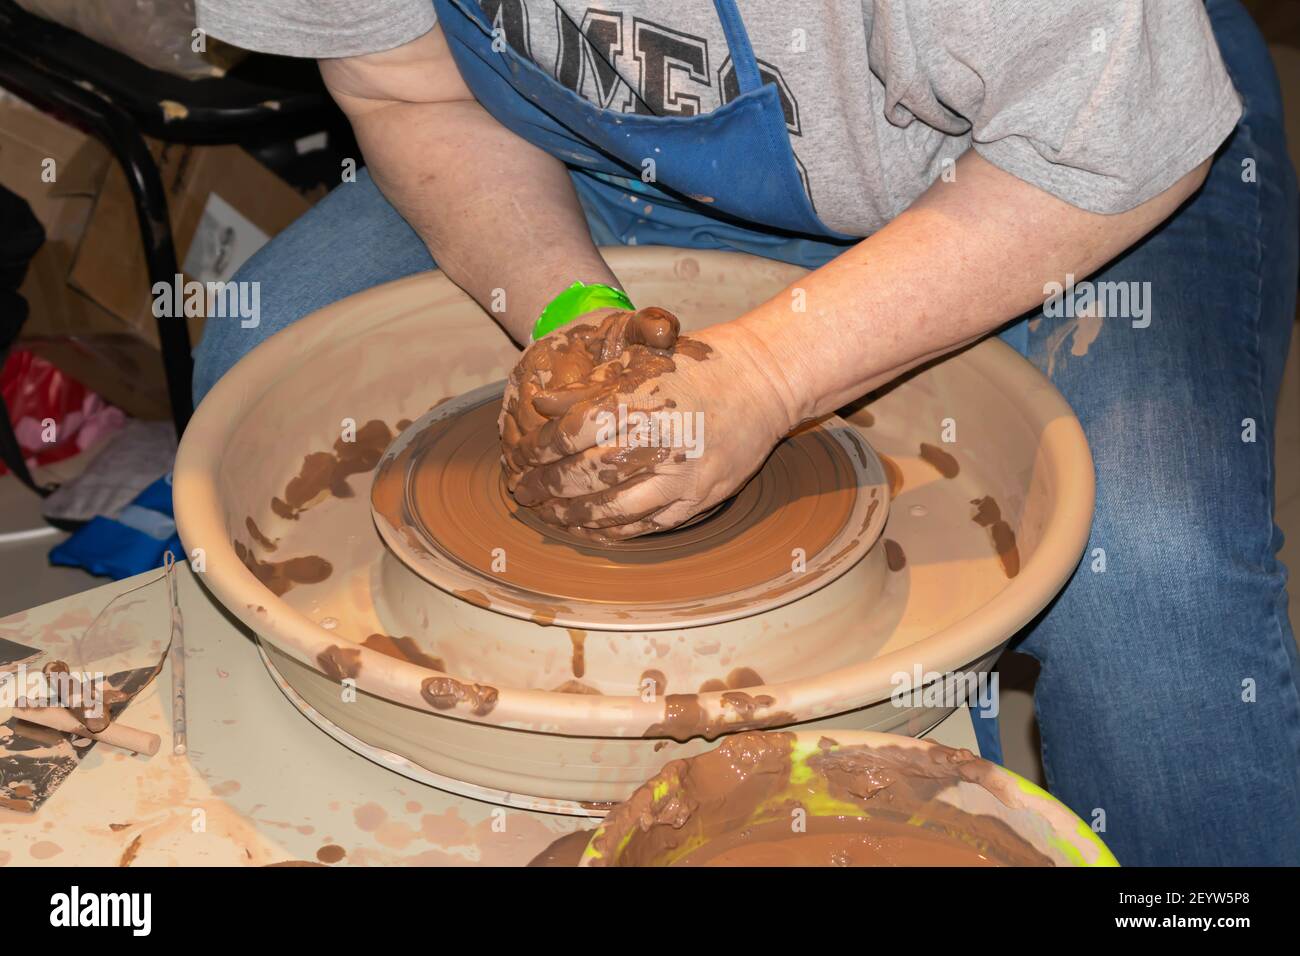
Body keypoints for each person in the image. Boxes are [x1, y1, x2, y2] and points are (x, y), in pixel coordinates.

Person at [193, 0, 1300, 866]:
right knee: (256, 365)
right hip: (578, 153)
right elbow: (407, 88)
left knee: (1149, 567)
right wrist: (575, 323)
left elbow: (1110, 148)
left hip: (1057, 150)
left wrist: (766, 371)